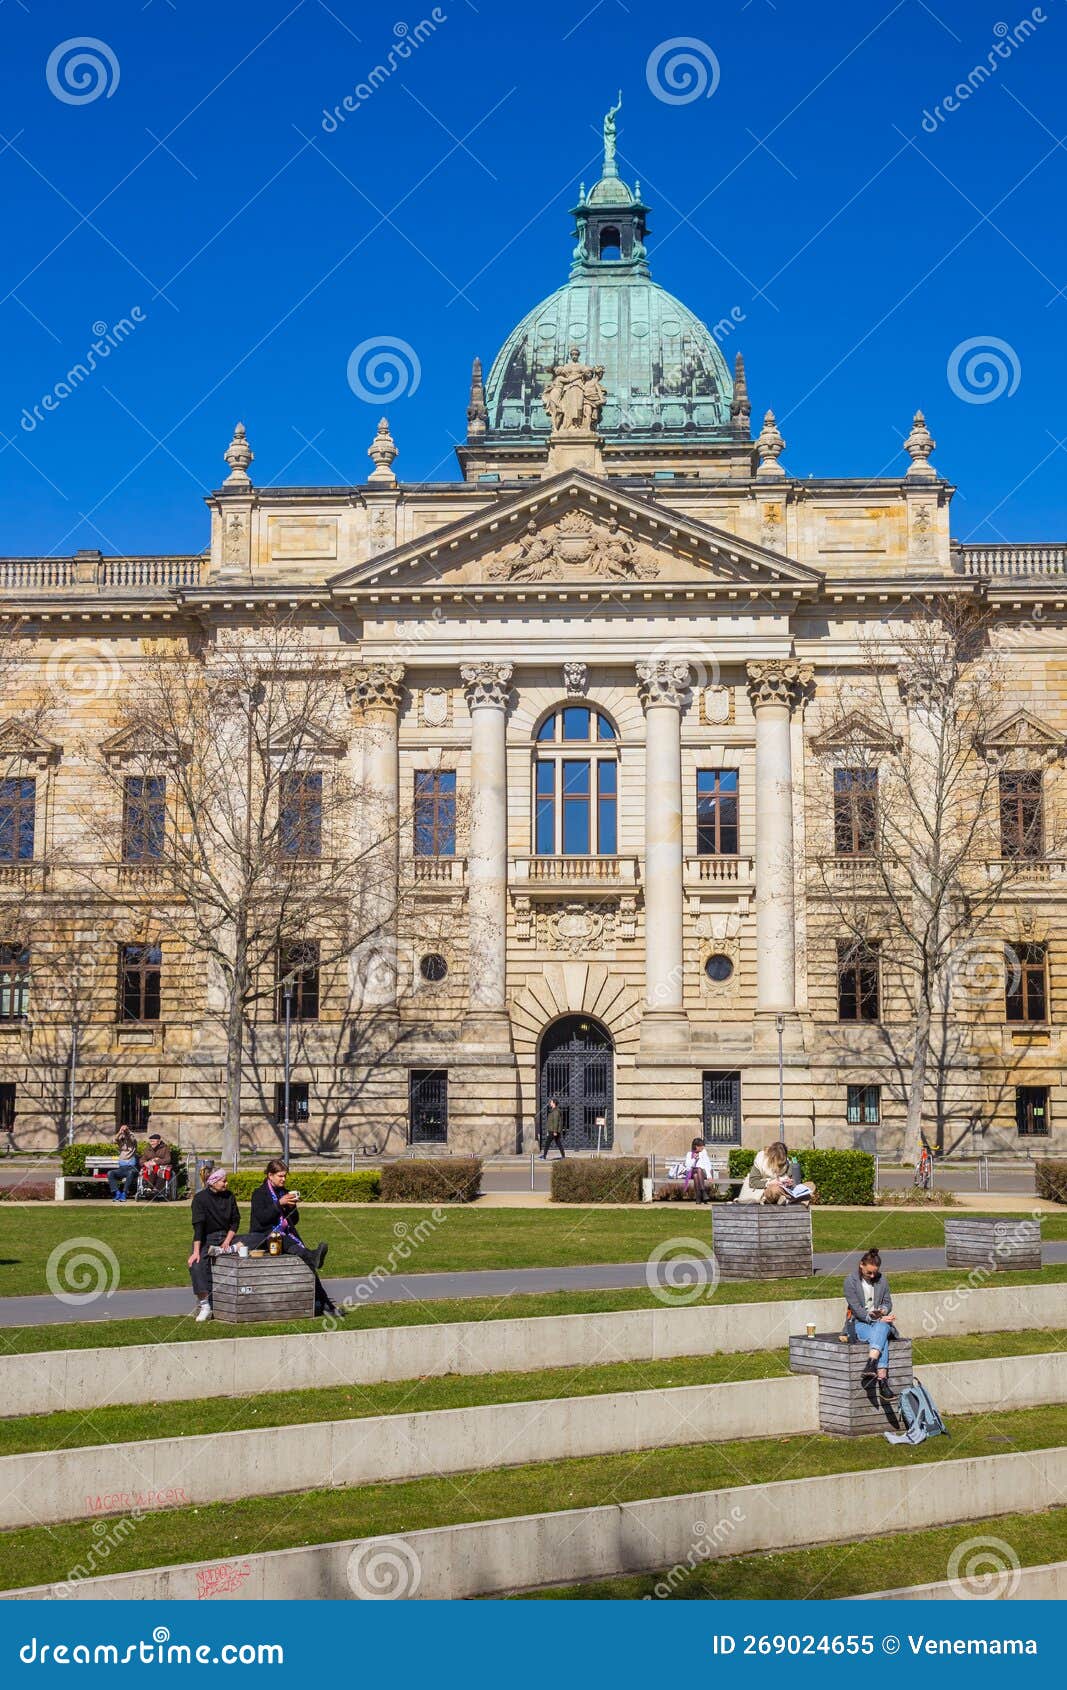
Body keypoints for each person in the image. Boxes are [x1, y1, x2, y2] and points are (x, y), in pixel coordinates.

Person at [247, 1160, 341, 1316]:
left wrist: (291, 1207)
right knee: (288, 1242)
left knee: (309, 1264)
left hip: (285, 1235)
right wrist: (279, 1204)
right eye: (280, 1176)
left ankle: (325, 1303)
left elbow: (294, 1220)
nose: (283, 1179)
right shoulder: (259, 1193)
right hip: (264, 1237)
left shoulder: (284, 1192)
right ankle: (312, 1257)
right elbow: (262, 1218)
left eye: (285, 1176)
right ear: (270, 1175)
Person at [844, 1247, 898, 1402]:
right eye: (869, 1273)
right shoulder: (850, 1281)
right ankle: (882, 1381)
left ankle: (871, 1363)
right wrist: (875, 1318)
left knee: (882, 1328)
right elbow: (857, 1310)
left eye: (875, 1272)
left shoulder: (882, 1279)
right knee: (882, 1335)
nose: (873, 1275)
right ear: (861, 1265)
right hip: (859, 1323)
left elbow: (888, 1302)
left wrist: (883, 1310)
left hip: (878, 1323)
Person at [187, 1165, 240, 1322]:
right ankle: (204, 1305)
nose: (226, 1184)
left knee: (253, 1240)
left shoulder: (229, 1196)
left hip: (226, 1237)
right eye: (223, 1181)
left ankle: (224, 1249)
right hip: (206, 1238)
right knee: (196, 1265)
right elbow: (198, 1227)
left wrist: (227, 1240)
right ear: (213, 1181)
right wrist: (196, 1252)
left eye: (226, 1180)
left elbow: (235, 1221)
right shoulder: (200, 1199)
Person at [736, 1141, 816, 1205]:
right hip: (767, 1191)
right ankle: (795, 1200)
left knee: (811, 1185)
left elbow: (792, 1180)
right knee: (775, 1189)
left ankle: (786, 1200)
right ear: (772, 1158)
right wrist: (770, 1183)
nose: (780, 1166)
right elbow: (753, 1182)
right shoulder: (760, 1160)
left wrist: (790, 1182)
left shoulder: (787, 1162)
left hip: (785, 1190)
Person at [107, 1126, 139, 1202]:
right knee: (110, 1173)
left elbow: (132, 1139)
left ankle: (124, 1193)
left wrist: (127, 1131)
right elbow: (114, 1140)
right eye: (123, 1138)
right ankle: (117, 1193)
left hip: (132, 1168)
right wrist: (119, 1132)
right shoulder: (121, 1145)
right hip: (122, 1169)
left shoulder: (133, 1143)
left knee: (130, 1173)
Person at [140, 1132, 175, 1199]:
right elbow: (142, 1160)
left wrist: (156, 1162)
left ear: (159, 1141)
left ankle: (156, 1189)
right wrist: (145, 1163)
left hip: (162, 1166)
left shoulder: (165, 1148)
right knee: (150, 1170)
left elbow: (168, 1160)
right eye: (150, 1141)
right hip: (151, 1167)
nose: (151, 1143)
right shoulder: (147, 1149)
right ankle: (149, 1189)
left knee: (161, 1172)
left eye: (153, 1141)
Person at [682, 1138, 714, 1203]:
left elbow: (707, 1164)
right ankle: (703, 1192)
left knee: (696, 1174)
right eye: (701, 1145)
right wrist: (693, 1159)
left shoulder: (703, 1153)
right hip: (691, 1172)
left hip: (703, 1173)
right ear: (696, 1146)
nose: (703, 1147)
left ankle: (698, 1197)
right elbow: (688, 1168)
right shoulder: (689, 1154)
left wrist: (709, 1176)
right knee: (697, 1171)